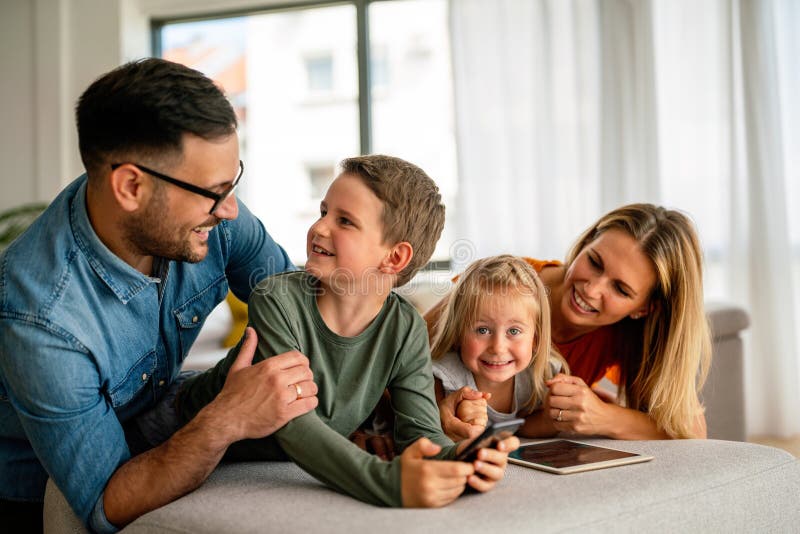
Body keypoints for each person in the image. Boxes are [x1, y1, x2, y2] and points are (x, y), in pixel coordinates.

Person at [0, 58, 318, 533]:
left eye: (233, 182)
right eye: (213, 191)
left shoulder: (216, 218)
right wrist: (225, 418)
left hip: (152, 418)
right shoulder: (42, 318)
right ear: (130, 186)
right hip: (33, 494)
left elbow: (302, 311)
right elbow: (106, 503)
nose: (230, 209)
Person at [177, 155, 520, 507]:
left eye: (344, 221)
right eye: (323, 211)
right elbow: (291, 422)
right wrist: (385, 480)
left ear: (395, 258)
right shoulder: (276, 299)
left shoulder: (405, 328)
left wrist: (461, 459)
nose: (320, 228)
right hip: (174, 425)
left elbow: (420, 434)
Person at [428, 204, 712, 441]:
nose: (591, 289)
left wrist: (604, 417)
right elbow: (396, 354)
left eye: (620, 289)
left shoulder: (628, 333)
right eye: (595, 262)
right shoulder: (501, 288)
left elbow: (692, 431)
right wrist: (424, 413)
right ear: (585, 244)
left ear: (645, 309)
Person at [428, 255, 567, 440]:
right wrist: (454, 425)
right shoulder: (442, 378)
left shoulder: (544, 373)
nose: (498, 347)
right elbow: (426, 434)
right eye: (483, 330)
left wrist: (555, 416)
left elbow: (527, 427)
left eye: (514, 331)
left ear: (535, 337)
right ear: (458, 333)